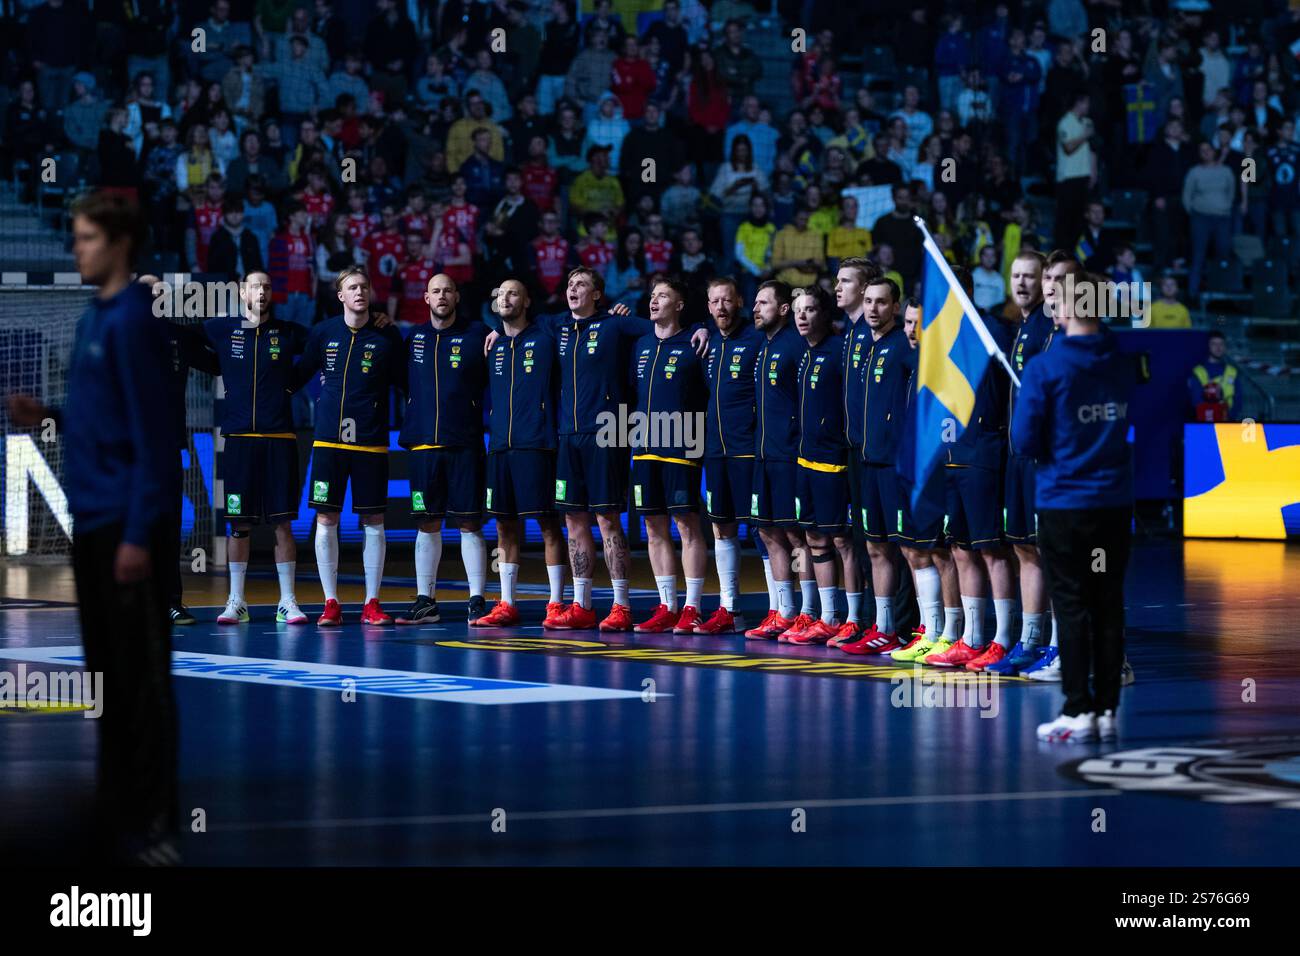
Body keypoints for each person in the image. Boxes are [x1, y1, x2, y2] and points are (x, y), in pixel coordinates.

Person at [8, 192, 180, 863]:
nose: (75, 248)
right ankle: (117, 807)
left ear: (118, 242)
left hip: (127, 532)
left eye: (85, 238)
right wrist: (45, 411)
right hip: (96, 525)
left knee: (144, 679)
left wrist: (139, 535)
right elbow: (99, 417)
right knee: (107, 674)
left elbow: (156, 445)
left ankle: (161, 818)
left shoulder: (135, 323)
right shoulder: (93, 320)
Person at [1013, 272, 1137, 743]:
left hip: (1065, 501)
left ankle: (1077, 710)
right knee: (1108, 604)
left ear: (1061, 312)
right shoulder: (1121, 361)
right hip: (1113, 502)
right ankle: (1106, 709)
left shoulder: (1045, 368)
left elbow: (1025, 441)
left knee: (1070, 606)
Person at [297, 266, 407, 626]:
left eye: (364, 286)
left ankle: (371, 603)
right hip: (329, 441)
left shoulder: (387, 337)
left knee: (373, 519)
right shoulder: (323, 332)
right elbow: (297, 377)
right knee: (326, 518)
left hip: (371, 442)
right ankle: (331, 602)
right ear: (340, 295)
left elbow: (409, 385)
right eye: (352, 287)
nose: (359, 291)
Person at [205, 272, 310, 626]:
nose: (261, 291)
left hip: (279, 441)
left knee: (282, 525)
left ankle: (287, 601)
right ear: (241, 292)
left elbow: (325, 346)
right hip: (238, 442)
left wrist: (289, 389)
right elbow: (187, 343)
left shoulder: (289, 332)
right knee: (239, 525)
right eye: (255, 286)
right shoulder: (221, 329)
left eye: (267, 286)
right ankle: (237, 600)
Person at [395, 274, 490, 625]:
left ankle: (477, 599)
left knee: (469, 523)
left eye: (448, 290)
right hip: (422, 446)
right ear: (425, 298)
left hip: (464, 444)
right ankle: (426, 601)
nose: (442, 295)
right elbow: (400, 379)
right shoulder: (413, 338)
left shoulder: (478, 334)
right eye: (436, 291)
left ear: (457, 296)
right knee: (427, 523)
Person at [476, 279, 569, 625]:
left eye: (513, 292)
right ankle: (506, 602)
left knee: (548, 525)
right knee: (503, 528)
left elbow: (575, 317)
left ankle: (556, 602)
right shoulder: (494, 345)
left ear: (527, 300)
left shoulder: (545, 338)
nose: (505, 298)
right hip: (500, 446)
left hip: (537, 445)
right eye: (500, 293)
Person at [986, 251, 1057, 675]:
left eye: (1031, 276)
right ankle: (1029, 639)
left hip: (1040, 457)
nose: (1024, 283)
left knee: (1046, 548)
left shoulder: (1051, 328)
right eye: (1017, 275)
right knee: (1024, 547)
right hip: (1016, 454)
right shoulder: (1020, 326)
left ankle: (1053, 642)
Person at [782, 286, 863, 645]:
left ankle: (856, 617)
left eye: (810, 310)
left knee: (843, 541)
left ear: (823, 314)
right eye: (798, 310)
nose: (802, 316)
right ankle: (826, 616)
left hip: (833, 461)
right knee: (812, 537)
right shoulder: (803, 353)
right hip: (804, 459)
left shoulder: (838, 351)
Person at [629, 278, 709, 634]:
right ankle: (668, 605)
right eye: (652, 296)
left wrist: (704, 328)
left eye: (663, 295)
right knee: (652, 526)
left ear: (679, 304)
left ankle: (692, 607)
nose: (654, 300)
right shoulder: (642, 344)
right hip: (644, 448)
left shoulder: (694, 341)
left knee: (687, 526)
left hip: (681, 446)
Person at [743, 280, 811, 639]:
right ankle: (783, 610)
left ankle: (809, 609)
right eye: (754, 303)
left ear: (784, 309)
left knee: (796, 536)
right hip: (763, 455)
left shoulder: (796, 346)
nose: (755, 308)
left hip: (788, 457)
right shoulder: (763, 345)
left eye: (764, 303)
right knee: (767, 531)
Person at [697, 277, 762, 633]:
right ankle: (729, 609)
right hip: (715, 451)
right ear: (708, 307)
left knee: (764, 530)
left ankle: (781, 611)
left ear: (739, 302)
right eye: (714, 301)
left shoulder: (756, 339)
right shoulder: (705, 341)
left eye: (727, 300)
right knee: (721, 528)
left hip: (748, 450)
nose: (721, 307)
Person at [1188, 330, 1240, 422]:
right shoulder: (1198, 372)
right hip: (1205, 423)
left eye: (1221, 344)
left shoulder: (1232, 372)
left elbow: (1238, 399)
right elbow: (1195, 401)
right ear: (1208, 346)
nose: (1218, 347)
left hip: (1228, 422)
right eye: (1214, 344)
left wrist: (1228, 417)